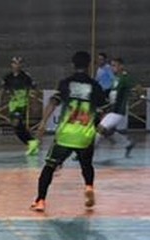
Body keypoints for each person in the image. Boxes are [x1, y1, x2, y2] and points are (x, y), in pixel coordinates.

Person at [31, 50, 107, 213]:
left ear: (73, 65)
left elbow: (53, 102)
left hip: (65, 135)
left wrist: (43, 123)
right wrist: (98, 123)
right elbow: (102, 109)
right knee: (86, 165)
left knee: (49, 167)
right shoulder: (95, 86)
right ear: (89, 66)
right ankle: (88, 186)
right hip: (85, 135)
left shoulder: (66, 83)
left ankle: (40, 200)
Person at [0, 56, 38, 155]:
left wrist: (34, 102)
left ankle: (32, 142)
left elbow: (35, 89)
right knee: (17, 128)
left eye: (19, 63)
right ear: (11, 65)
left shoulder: (26, 76)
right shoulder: (8, 76)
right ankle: (31, 142)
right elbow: (3, 89)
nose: (17, 65)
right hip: (12, 104)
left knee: (17, 122)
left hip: (22, 104)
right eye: (15, 63)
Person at [97, 56, 136, 157]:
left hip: (118, 110)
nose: (112, 68)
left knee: (100, 128)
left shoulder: (125, 78)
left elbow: (137, 87)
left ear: (121, 66)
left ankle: (86, 152)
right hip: (112, 109)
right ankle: (128, 144)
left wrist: (138, 95)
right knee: (108, 132)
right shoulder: (116, 79)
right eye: (111, 66)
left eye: (114, 66)